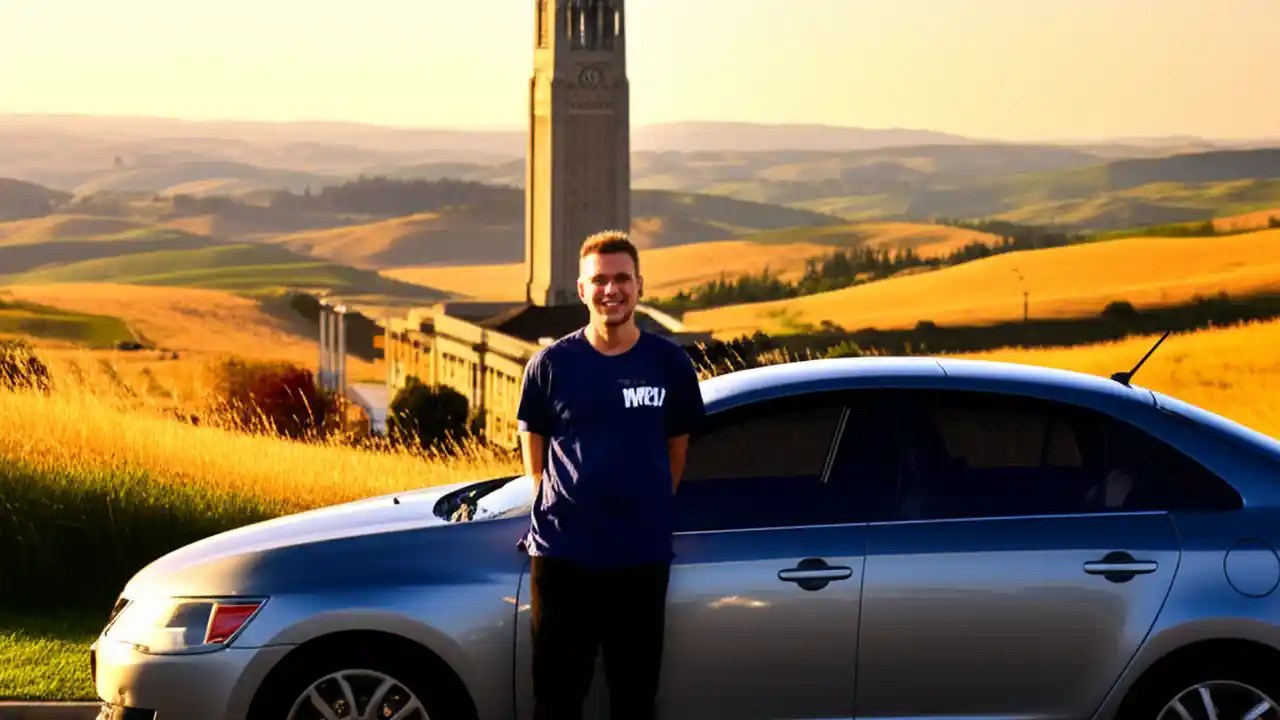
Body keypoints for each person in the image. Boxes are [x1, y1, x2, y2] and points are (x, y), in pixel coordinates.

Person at [516, 230, 706, 720]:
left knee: (635, 700)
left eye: (622, 278)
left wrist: (648, 506)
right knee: (556, 701)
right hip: (563, 558)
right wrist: (548, 500)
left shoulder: (670, 364)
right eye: (599, 280)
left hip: (639, 559)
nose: (611, 290)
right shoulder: (550, 364)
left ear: (640, 286)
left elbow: (676, 450)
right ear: (581, 290)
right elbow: (532, 439)